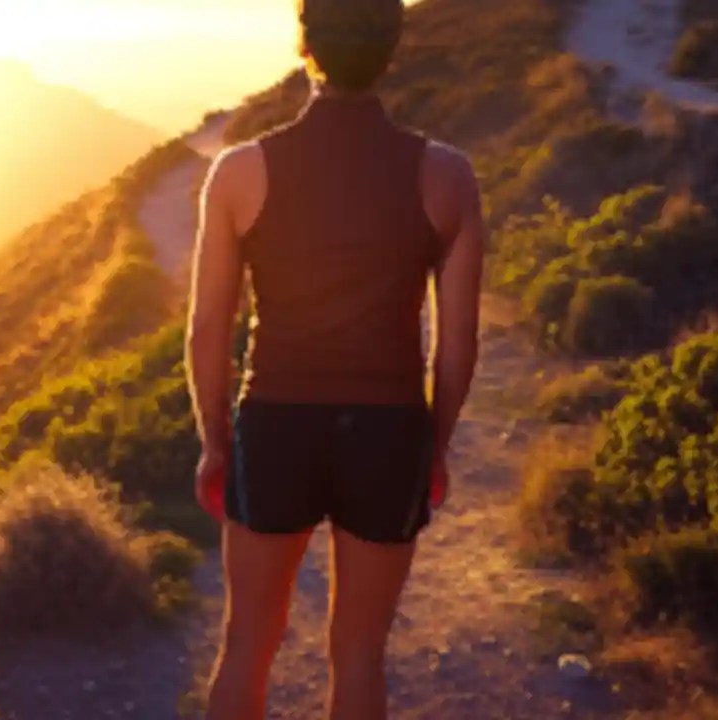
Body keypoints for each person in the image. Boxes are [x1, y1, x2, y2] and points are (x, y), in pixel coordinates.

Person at [183, 0, 485, 717]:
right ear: (392, 48)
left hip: (275, 424)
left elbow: (206, 330)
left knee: (247, 645)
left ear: (304, 45)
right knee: (358, 656)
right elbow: (459, 345)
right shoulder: (447, 176)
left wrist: (215, 445)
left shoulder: (238, 172)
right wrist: (432, 449)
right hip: (389, 433)